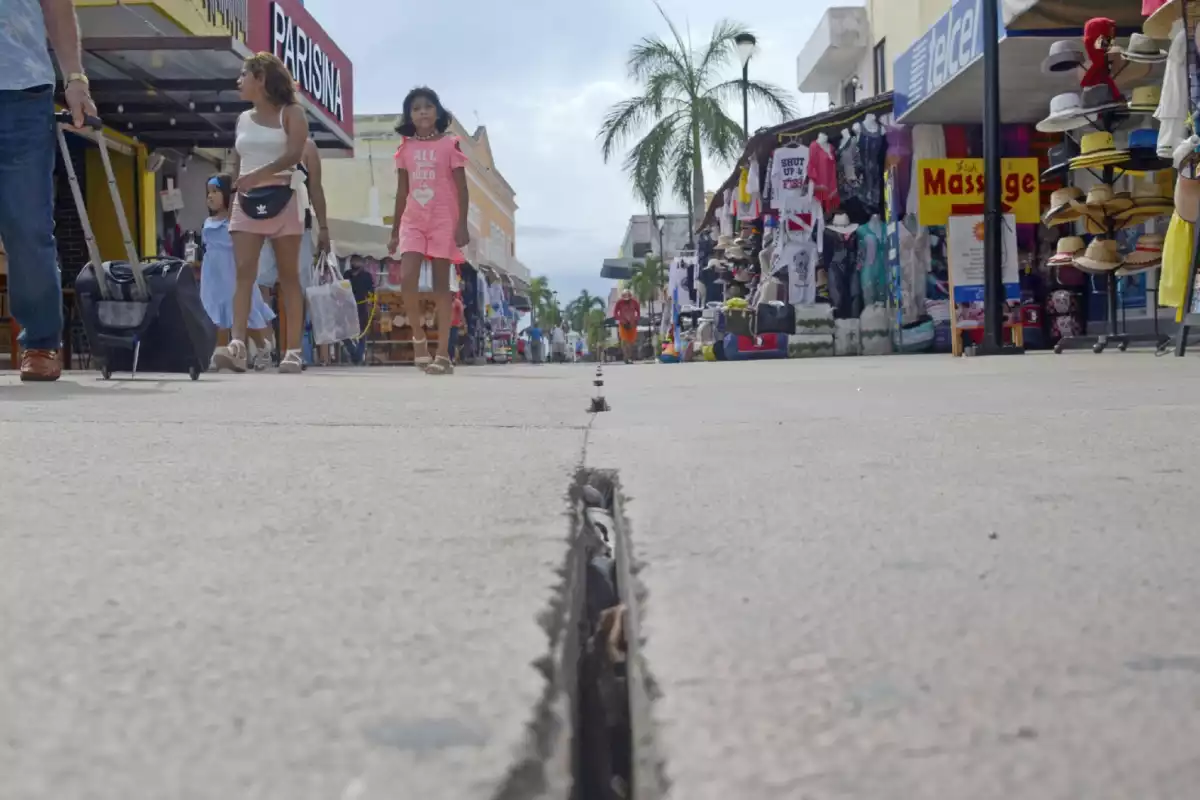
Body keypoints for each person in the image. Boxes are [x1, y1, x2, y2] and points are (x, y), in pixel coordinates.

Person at [1, 0, 97, 381]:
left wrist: (76, 79)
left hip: (22, 93)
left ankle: (40, 341)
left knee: (28, 227)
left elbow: (57, 8)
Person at [212, 52, 309, 374]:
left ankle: (293, 350)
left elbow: (295, 153)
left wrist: (259, 174)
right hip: (246, 201)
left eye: (244, 75)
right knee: (244, 273)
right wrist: (233, 193)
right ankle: (238, 344)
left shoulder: (292, 113)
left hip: (284, 195)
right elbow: (240, 162)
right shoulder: (242, 119)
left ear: (261, 78)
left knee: (288, 276)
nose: (238, 81)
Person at [387, 87, 471, 376]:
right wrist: (395, 231)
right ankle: (419, 338)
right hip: (413, 219)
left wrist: (462, 224)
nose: (422, 112)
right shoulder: (405, 148)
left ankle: (443, 354)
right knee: (407, 279)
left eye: (428, 106)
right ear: (409, 115)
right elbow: (401, 192)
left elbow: (461, 187)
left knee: (440, 288)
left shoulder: (450, 144)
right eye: (416, 108)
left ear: (438, 111)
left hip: (443, 220)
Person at [256, 137, 330, 366]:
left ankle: (294, 349)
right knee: (258, 284)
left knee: (297, 287)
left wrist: (324, 228)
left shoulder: (307, 146)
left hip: (299, 225)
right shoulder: (259, 141)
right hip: (263, 222)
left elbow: (315, 188)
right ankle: (265, 348)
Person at [197, 174, 277, 370]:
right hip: (213, 274)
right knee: (216, 313)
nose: (211, 196)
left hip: (233, 271)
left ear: (227, 194)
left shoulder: (235, 220)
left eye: (215, 192)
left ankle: (262, 347)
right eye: (208, 193)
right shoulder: (208, 221)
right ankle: (221, 352)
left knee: (244, 313)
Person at [344, 255, 374, 365]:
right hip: (347, 307)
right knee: (346, 333)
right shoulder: (347, 275)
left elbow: (372, 291)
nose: (355, 263)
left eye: (357, 261)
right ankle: (354, 353)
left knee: (362, 333)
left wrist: (371, 303)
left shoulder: (367, 276)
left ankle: (358, 357)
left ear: (362, 263)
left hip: (361, 307)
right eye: (353, 261)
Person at [613, 289, 641, 364]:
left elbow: (638, 313)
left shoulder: (634, 302)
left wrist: (636, 320)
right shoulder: (619, 302)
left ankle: (630, 357)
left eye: (628, 297)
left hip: (632, 324)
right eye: (625, 297)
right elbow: (615, 313)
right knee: (624, 341)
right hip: (623, 324)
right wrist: (621, 320)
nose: (626, 299)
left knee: (631, 342)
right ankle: (626, 356)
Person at [448, 291, 465, 364]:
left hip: (454, 325)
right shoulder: (447, 302)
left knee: (452, 342)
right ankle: (450, 358)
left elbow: (461, 313)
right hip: (447, 325)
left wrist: (463, 323)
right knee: (449, 343)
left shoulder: (457, 302)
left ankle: (453, 358)